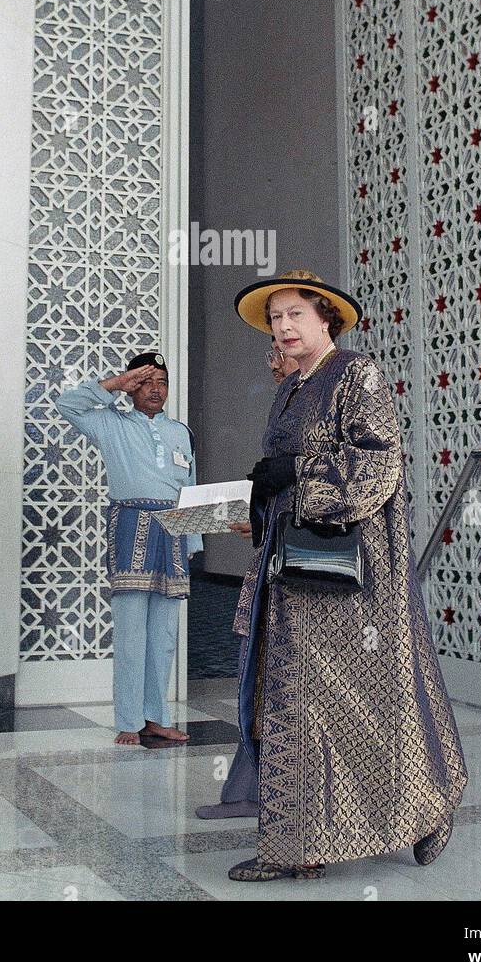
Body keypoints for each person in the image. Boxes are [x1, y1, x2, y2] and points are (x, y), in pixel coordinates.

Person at [227, 270, 469, 881]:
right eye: (276, 318)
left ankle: (427, 804)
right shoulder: (289, 388)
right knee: (293, 700)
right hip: (290, 568)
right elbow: (283, 472)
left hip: (349, 574)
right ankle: (298, 844)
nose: (283, 328)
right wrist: (259, 501)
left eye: (295, 316)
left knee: (364, 702)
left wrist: (298, 473)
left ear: (326, 319)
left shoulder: (357, 373)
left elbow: (379, 461)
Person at [55, 352, 202, 746]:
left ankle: (156, 718)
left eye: (162, 382)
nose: (155, 389)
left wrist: (193, 540)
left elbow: (191, 488)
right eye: (146, 381)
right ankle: (128, 720)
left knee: (165, 633)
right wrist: (115, 384)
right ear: (133, 385)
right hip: (131, 527)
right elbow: (66, 403)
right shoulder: (111, 424)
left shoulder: (182, 433)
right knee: (132, 629)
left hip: (174, 530)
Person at [194, 335, 298, 821]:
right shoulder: (282, 405)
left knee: (280, 681)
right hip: (274, 564)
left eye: (279, 353)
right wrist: (255, 518)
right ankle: (249, 789)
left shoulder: (336, 392)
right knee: (258, 674)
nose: (275, 364)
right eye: (270, 353)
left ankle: (271, 794)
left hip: (306, 571)